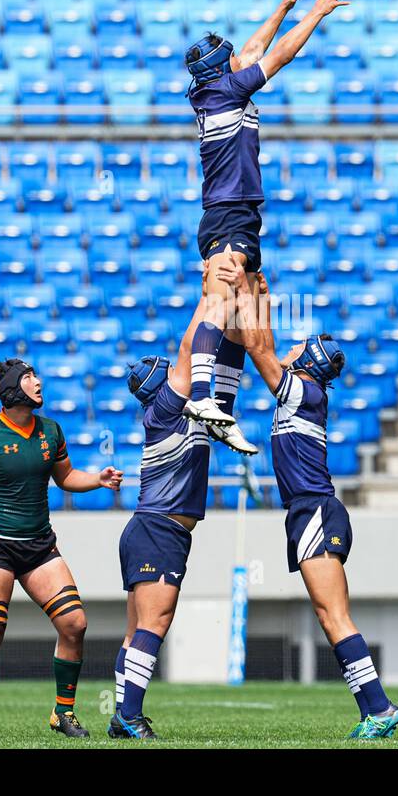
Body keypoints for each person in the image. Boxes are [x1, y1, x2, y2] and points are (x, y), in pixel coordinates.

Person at [180, 0, 352, 456]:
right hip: (228, 213)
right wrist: (315, 13)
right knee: (222, 299)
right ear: (224, 70)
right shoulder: (228, 92)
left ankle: (223, 410)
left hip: (239, 214)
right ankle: (200, 396)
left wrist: (282, 5)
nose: (242, 58)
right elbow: (276, 56)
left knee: (245, 307)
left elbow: (252, 51)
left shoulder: (214, 89)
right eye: (232, 59)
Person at [233, 272, 398, 738]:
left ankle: (380, 709)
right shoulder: (306, 391)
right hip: (311, 510)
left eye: (298, 348)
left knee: (333, 616)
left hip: (314, 510)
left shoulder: (302, 391)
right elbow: (266, 347)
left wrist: (245, 296)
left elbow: (258, 351)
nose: (290, 348)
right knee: (331, 615)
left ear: (306, 362)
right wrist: (261, 299)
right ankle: (376, 708)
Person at [0, 358, 123, 740]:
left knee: (74, 624)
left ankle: (63, 714)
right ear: (12, 389)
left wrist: (97, 479)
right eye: (29, 378)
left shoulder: (50, 431)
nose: (38, 382)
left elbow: (65, 477)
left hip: (40, 546)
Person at [109, 268, 247, 739]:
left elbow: (225, 352)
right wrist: (209, 293)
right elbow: (192, 349)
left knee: (137, 628)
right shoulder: (166, 407)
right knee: (157, 620)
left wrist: (239, 303)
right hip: (158, 529)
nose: (179, 369)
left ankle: (122, 713)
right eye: (169, 371)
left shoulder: (181, 407)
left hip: (154, 528)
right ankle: (128, 715)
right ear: (161, 383)